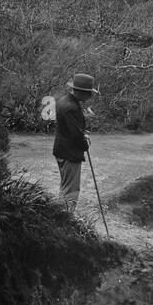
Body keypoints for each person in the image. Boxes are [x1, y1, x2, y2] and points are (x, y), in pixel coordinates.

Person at [53, 72, 98, 212]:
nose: (90, 96)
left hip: (62, 150)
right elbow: (76, 136)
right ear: (81, 92)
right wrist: (85, 143)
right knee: (71, 191)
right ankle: (66, 219)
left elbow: (72, 128)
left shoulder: (64, 101)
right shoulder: (71, 108)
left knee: (65, 186)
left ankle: (61, 216)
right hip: (69, 153)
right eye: (89, 93)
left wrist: (82, 133)